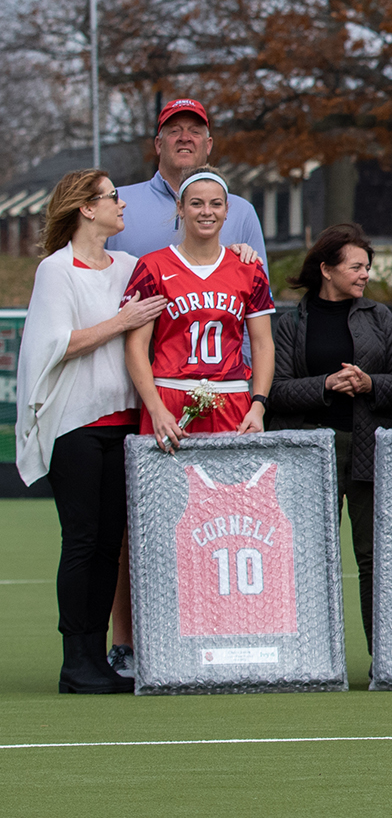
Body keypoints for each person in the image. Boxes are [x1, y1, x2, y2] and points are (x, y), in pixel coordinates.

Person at [17, 169, 166, 692]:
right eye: (112, 197)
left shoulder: (128, 267)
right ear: (86, 208)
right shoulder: (55, 271)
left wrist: (241, 253)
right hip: (75, 425)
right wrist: (121, 322)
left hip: (124, 424)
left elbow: (182, 277)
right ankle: (75, 660)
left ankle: (96, 660)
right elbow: (57, 344)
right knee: (81, 540)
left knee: (109, 545)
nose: (122, 205)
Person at [266, 223, 392, 644]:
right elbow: (276, 391)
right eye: (356, 267)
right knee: (308, 557)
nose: (365, 274)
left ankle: (383, 658)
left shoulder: (379, 317)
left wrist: (369, 384)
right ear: (326, 269)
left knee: (373, 557)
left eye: (367, 267)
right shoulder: (291, 323)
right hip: (311, 454)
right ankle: (309, 655)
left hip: (369, 450)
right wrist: (327, 384)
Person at [124, 167, 277, 448]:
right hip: (170, 396)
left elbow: (262, 343)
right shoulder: (152, 267)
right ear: (180, 208)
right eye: (196, 203)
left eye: (215, 204)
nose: (207, 212)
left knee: (232, 478)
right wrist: (156, 409)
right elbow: (136, 346)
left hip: (231, 397)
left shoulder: (249, 268)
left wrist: (258, 405)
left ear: (227, 210)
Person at [105, 98, 266, 260]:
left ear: (208, 145)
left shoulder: (242, 212)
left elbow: (258, 276)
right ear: (158, 144)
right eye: (174, 131)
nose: (185, 138)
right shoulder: (116, 203)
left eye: (195, 131)